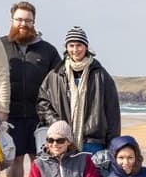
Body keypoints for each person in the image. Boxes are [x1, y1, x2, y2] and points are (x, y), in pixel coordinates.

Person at [0, 1, 61, 177]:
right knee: (14, 158)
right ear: (12, 20)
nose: (23, 24)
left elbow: (59, 82)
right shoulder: (1, 45)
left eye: (28, 20)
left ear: (34, 22)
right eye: (19, 19)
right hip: (10, 114)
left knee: (39, 159)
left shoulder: (48, 50)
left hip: (40, 116)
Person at [37, 26, 121, 154]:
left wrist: (113, 145)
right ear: (66, 48)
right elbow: (43, 103)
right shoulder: (56, 74)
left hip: (93, 142)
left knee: (91, 174)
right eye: (71, 45)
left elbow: (112, 112)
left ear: (86, 47)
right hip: (62, 141)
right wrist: (57, 124)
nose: (75, 50)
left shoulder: (100, 75)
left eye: (79, 45)